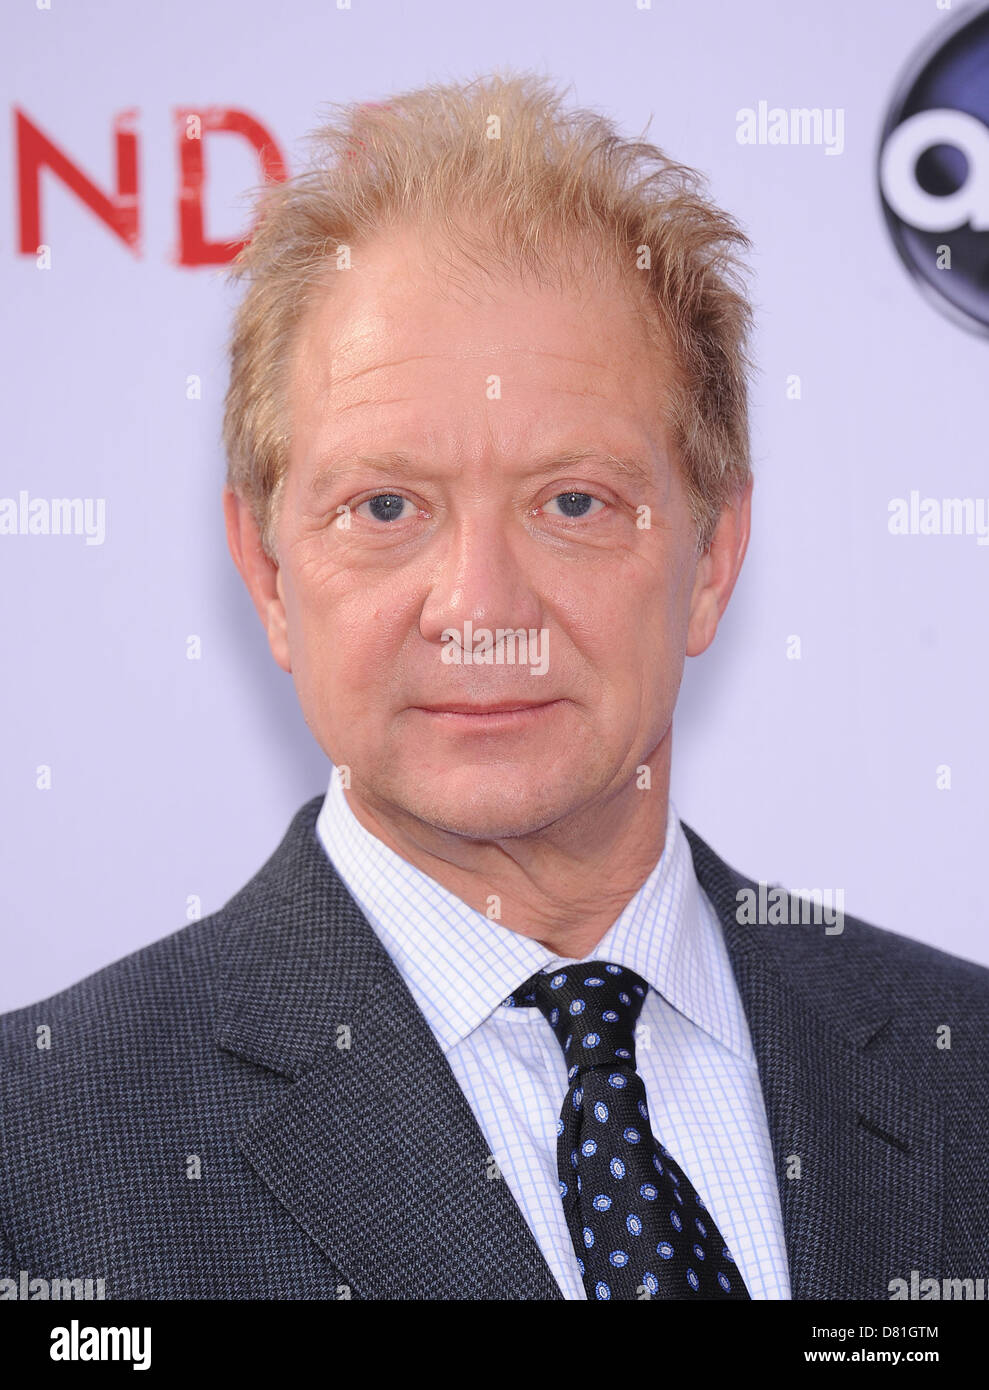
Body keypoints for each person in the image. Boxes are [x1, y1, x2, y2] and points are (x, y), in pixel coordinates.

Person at [1, 71, 986, 1303]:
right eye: (385, 508)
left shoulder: (963, 1069)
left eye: (571, 502)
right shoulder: (36, 1165)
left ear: (710, 556)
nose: (480, 609)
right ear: (264, 570)